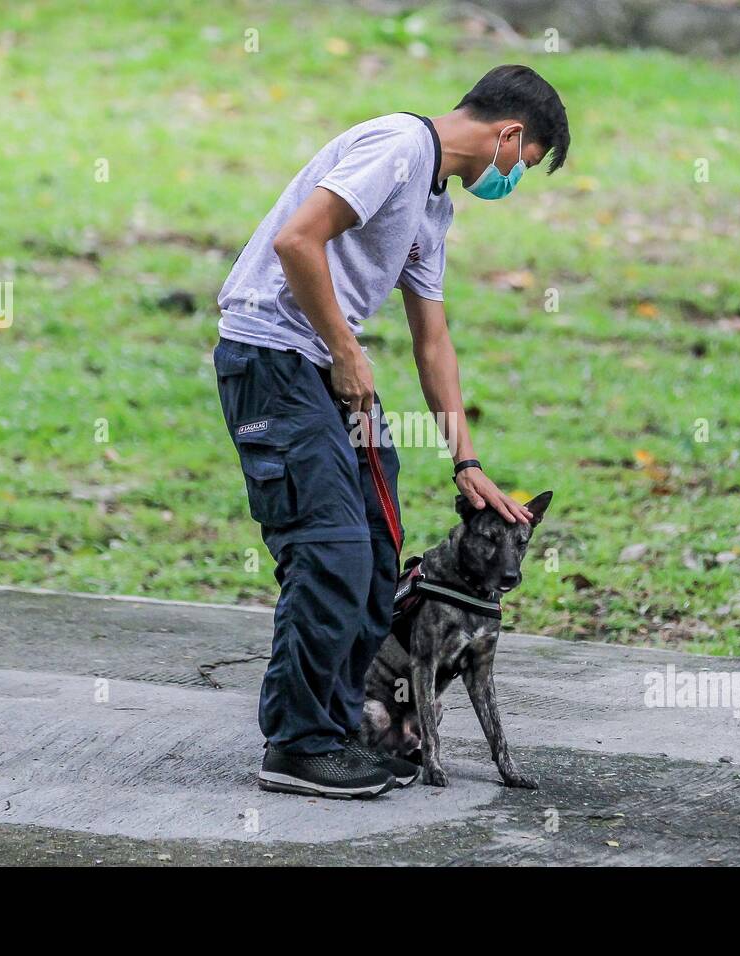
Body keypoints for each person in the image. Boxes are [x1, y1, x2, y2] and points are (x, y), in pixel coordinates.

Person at [213, 64, 570, 798]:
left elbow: (432, 342)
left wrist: (465, 460)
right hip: (275, 358)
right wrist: (345, 351)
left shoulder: (433, 207)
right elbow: (297, 241)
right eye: (524, 165)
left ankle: (341, 727)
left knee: (379, 554)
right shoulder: (400, 147)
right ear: (507, 135)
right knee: (332, 550)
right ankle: (296, 746)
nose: (514, 180)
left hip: (330, 370)